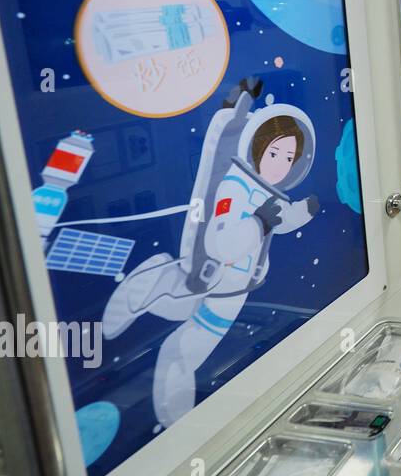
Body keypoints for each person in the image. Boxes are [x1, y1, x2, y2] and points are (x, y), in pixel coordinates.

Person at [101, 78, 318, 427]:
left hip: (235, 290)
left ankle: (176, 420)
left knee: (185, 339)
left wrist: (302, 212)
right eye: (274, 153)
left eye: (288, 157)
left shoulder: (271, 194)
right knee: (179, 322)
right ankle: (148, 284)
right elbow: (222, 242)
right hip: (212, 273)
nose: (279, 164)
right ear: (259, 149)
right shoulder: (235, 185)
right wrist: (257, 224)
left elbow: (280, 220)